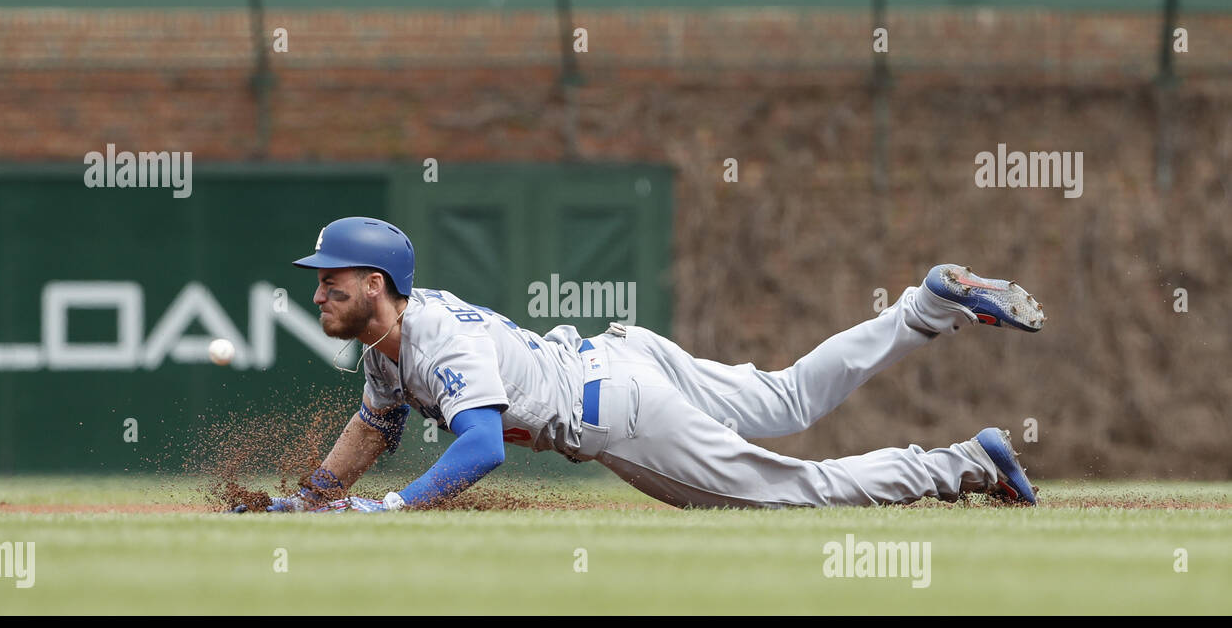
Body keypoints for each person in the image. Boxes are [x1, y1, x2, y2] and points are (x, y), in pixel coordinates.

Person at [233, 216, 1043, 514]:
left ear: (375, 285)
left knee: (795, 490)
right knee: (787, 394)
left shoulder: (436, 337)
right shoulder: (390, 338)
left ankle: (962, 464)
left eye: (331, 281)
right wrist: (308, 500)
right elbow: (376, 424)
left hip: (618, 410)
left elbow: (477, 446)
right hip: (614, 358)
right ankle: (925, 309)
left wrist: (395, 509)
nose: (319, 293)